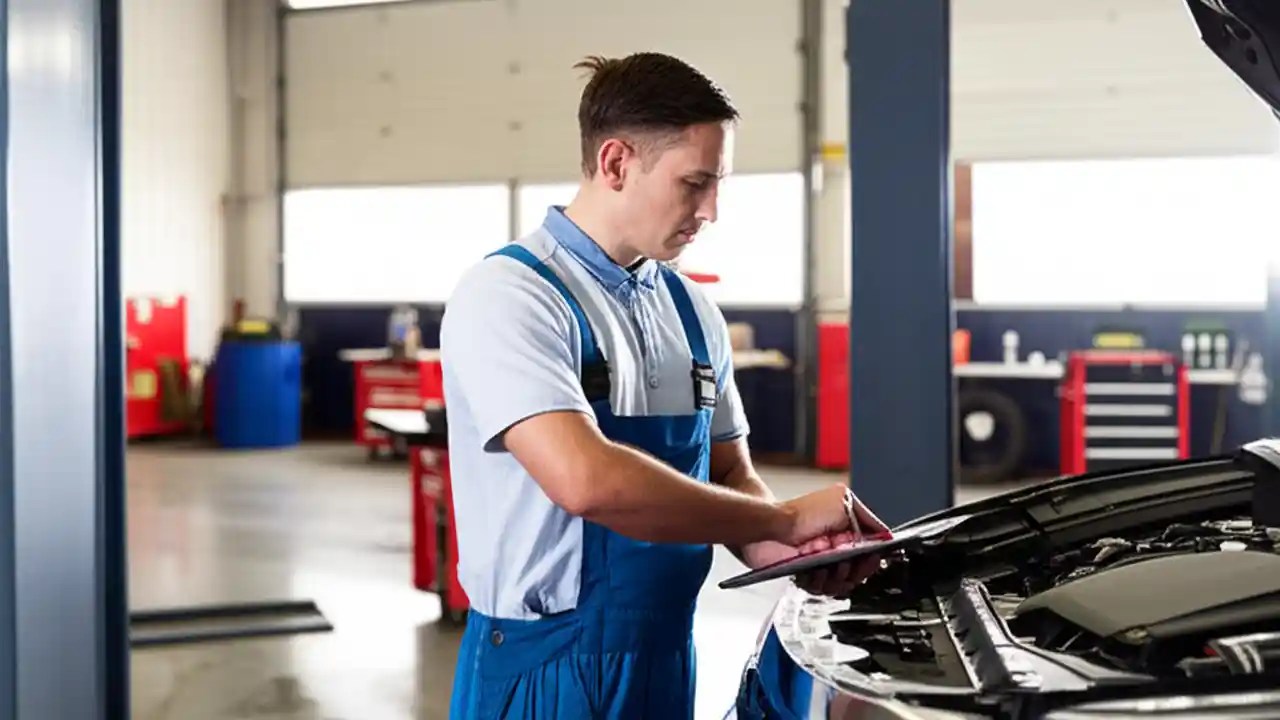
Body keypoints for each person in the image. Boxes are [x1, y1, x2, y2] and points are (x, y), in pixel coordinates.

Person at [440, 52, 888, 720]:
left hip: (666, 658)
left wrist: (791, 553)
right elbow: (586, 480)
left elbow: (730, 472)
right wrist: (785, 518)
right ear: (617, 163)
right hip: (543, 669)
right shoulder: (511, 295)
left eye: (719, 184)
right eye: (694, 183)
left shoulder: (690, 310)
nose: (711, 211)